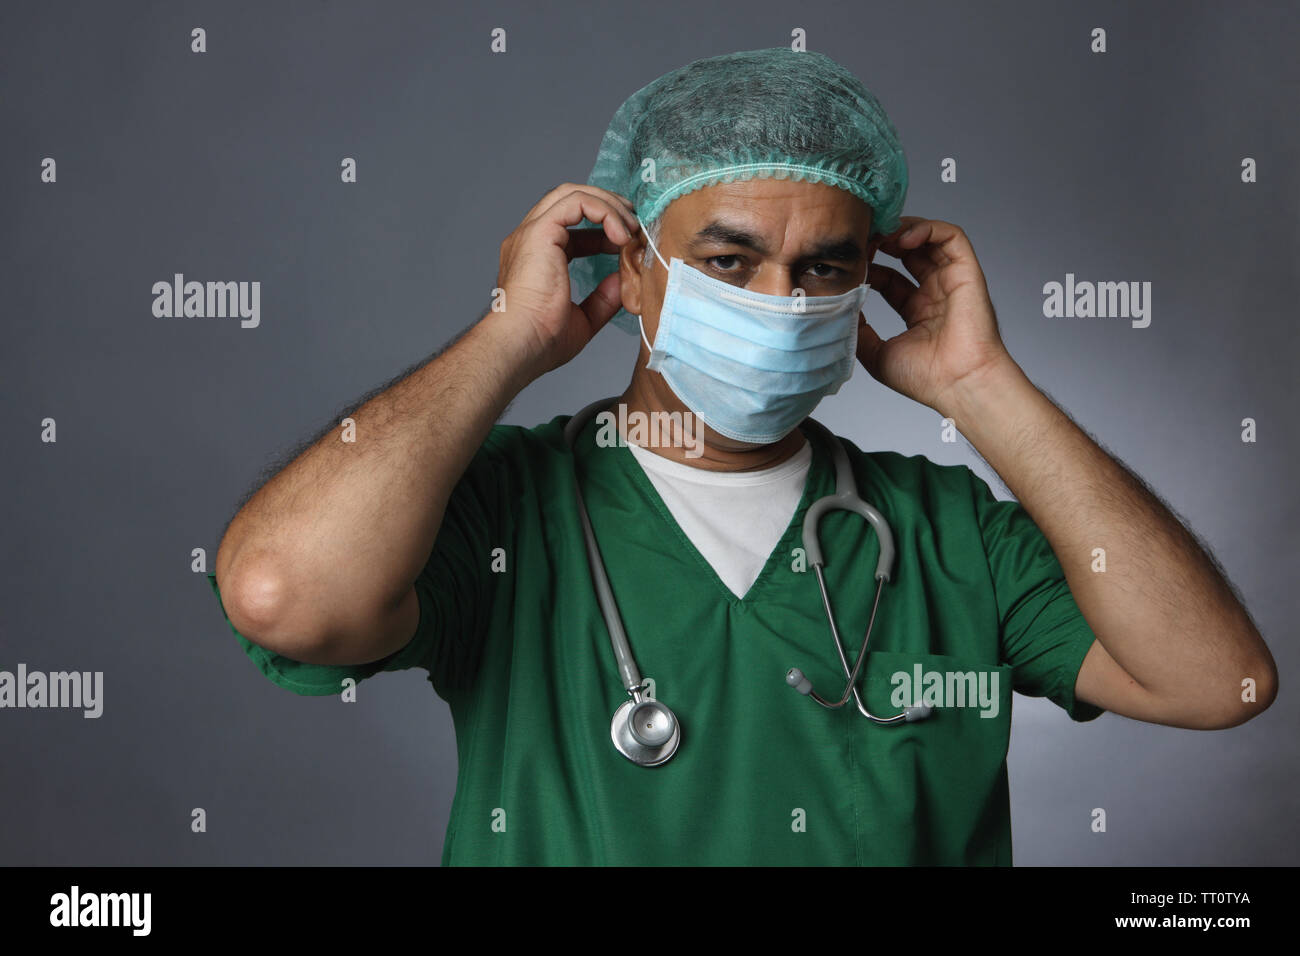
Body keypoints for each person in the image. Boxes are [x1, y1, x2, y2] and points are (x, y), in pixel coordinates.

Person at [207, 48, 1277, 865]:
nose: (782, 302)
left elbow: (1215, 680)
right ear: (632, 264)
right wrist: (507, 339)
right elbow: (282, 592)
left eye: (825, 265)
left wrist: (981, 388)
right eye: (729, 258)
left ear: (867, 278)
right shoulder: (504, 512)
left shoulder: (949, 535)